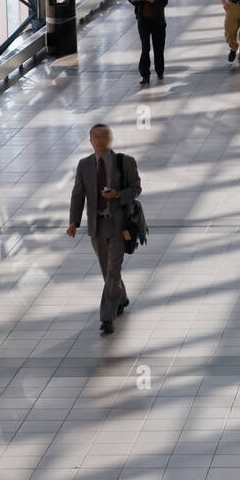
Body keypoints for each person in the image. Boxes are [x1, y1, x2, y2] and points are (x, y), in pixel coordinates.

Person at [67, 123, 142, 334]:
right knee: (107, 269)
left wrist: (118, 194)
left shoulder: (124, 162)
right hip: (96, 225)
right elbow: (78, 195)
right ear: (90, 141)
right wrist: (73, 221)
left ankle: (107, 317)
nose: (100, 141)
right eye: (96, 137)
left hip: (118, 224)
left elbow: (136, 188)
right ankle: (122, 297)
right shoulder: (84, 165)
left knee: (112, 270)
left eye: (104, 137)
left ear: (110, 139)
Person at [124, 0, 168, 85]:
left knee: (158, 47)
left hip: (158, 22)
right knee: (145, 47)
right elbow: (136, 1)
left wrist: (155, 1)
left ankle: (159, 71)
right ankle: (145, 74)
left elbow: (164, 2)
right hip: (143, 21)